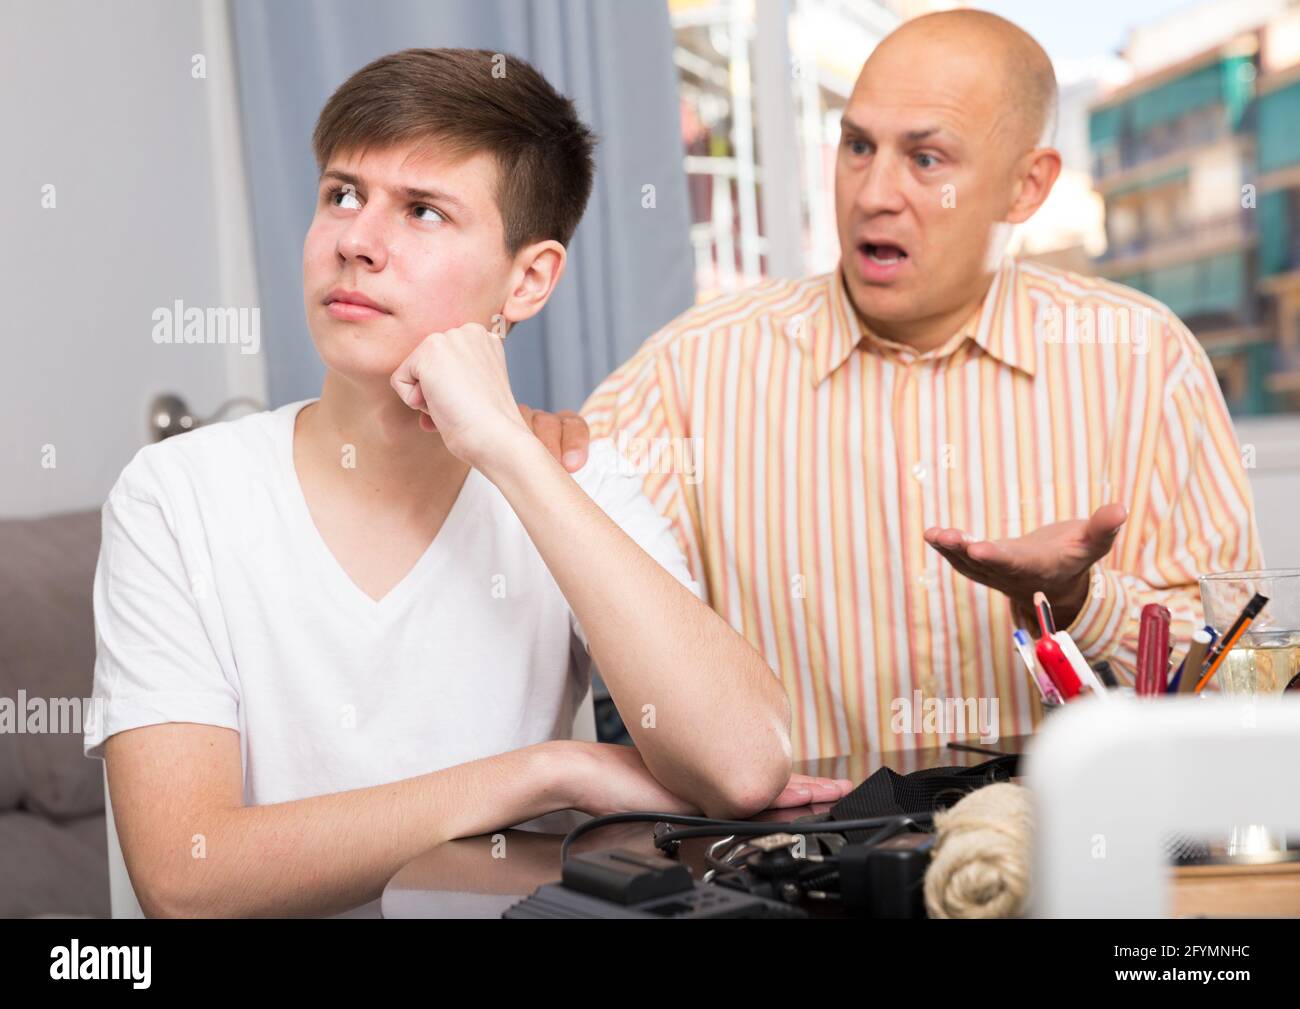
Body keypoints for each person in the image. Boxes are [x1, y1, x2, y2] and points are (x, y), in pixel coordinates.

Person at [85, 48, 850, 918]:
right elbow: (188, 878)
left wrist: (512, 453)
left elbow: (745, 764)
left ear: (528, 280)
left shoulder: (564, 474)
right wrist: (545, 771)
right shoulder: (176, 495)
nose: (356, 242)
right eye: (342, 193)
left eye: (422, 211)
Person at [538, 11, 1261, 760]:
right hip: (798, 865)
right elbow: (556, 561)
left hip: (1083, 849)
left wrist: (1083, 601)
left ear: (1027, 185)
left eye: (925, 159)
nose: (873, 192)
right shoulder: (691, 370)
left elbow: (1242, 674)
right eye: (857, 146)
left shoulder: (1145, 360)